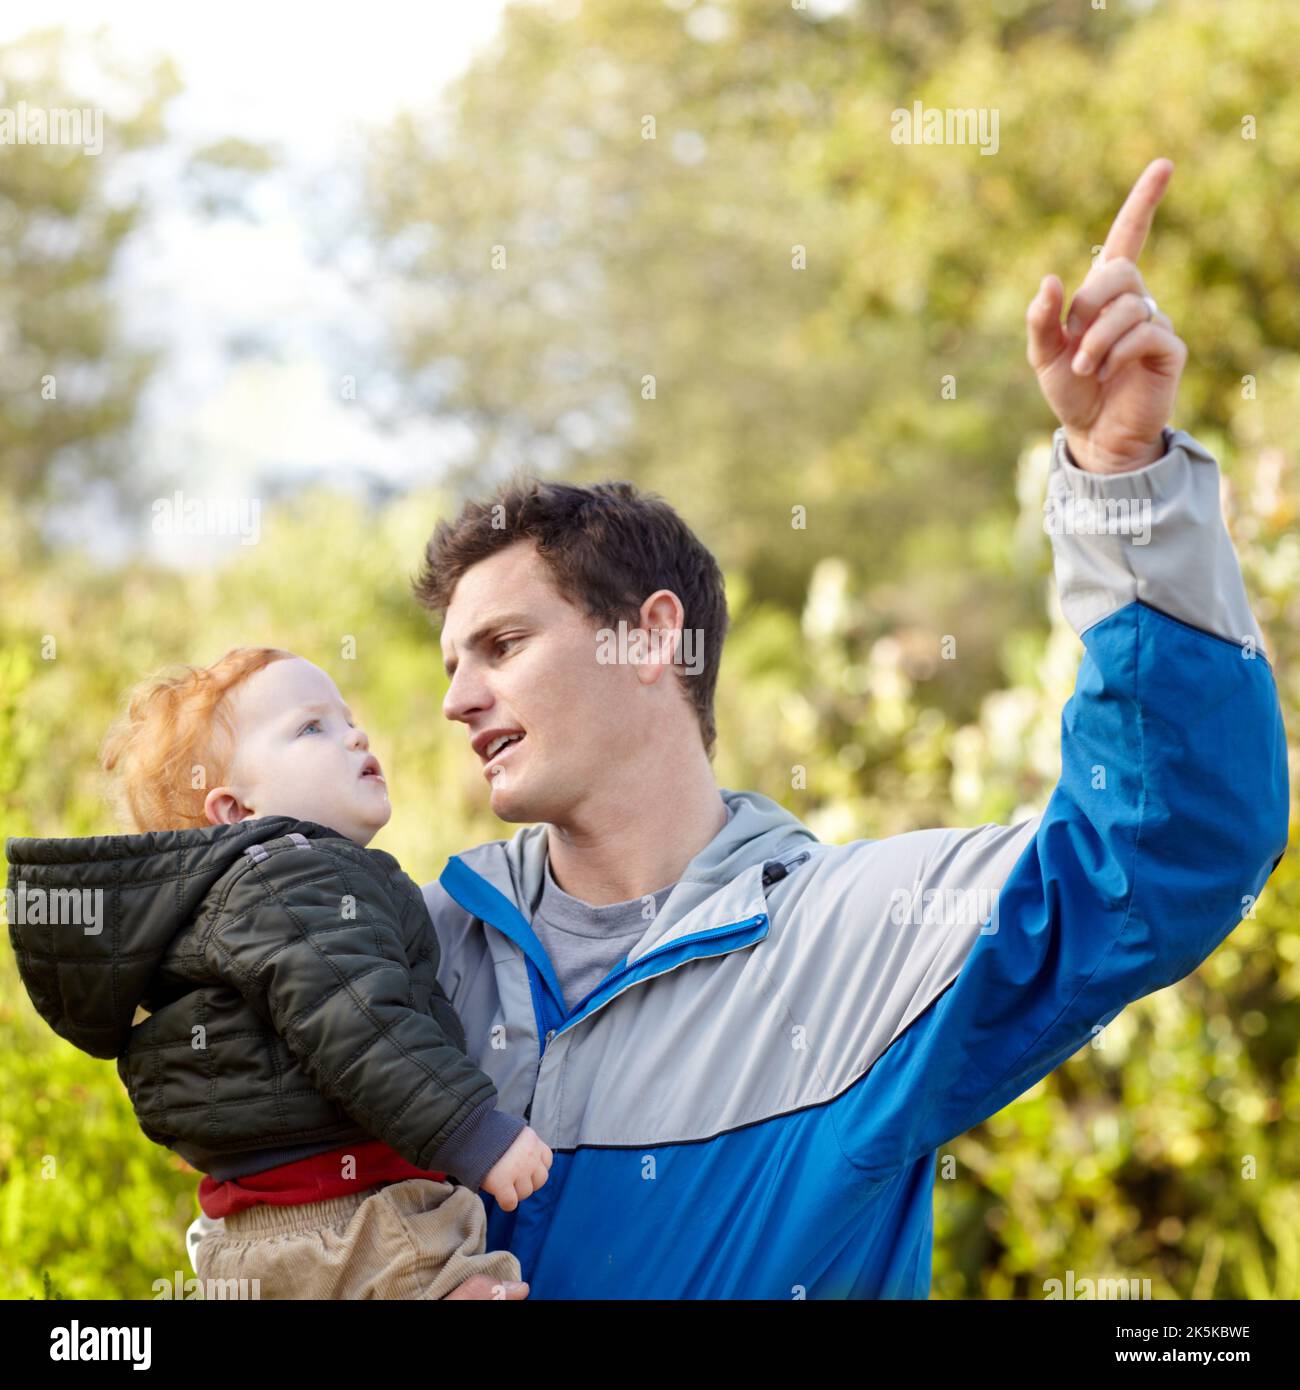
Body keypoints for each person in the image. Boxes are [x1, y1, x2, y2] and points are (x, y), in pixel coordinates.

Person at [186, 159, 1289, 1298]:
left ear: (648, 637)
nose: (457, 697)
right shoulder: (413, 952)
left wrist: (1122, 482)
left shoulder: (863, 945)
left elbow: (1167, 853)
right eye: (451, 662)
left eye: (503, 647)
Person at [7, 648, 550, 1299]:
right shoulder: (297, 873)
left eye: (346, 717)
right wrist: (471, 1130)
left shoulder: (220, 908)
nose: (355, 733)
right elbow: (356, 1019)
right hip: (360, 1223)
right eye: (311, 727)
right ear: (235, 809)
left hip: (246, 1238)